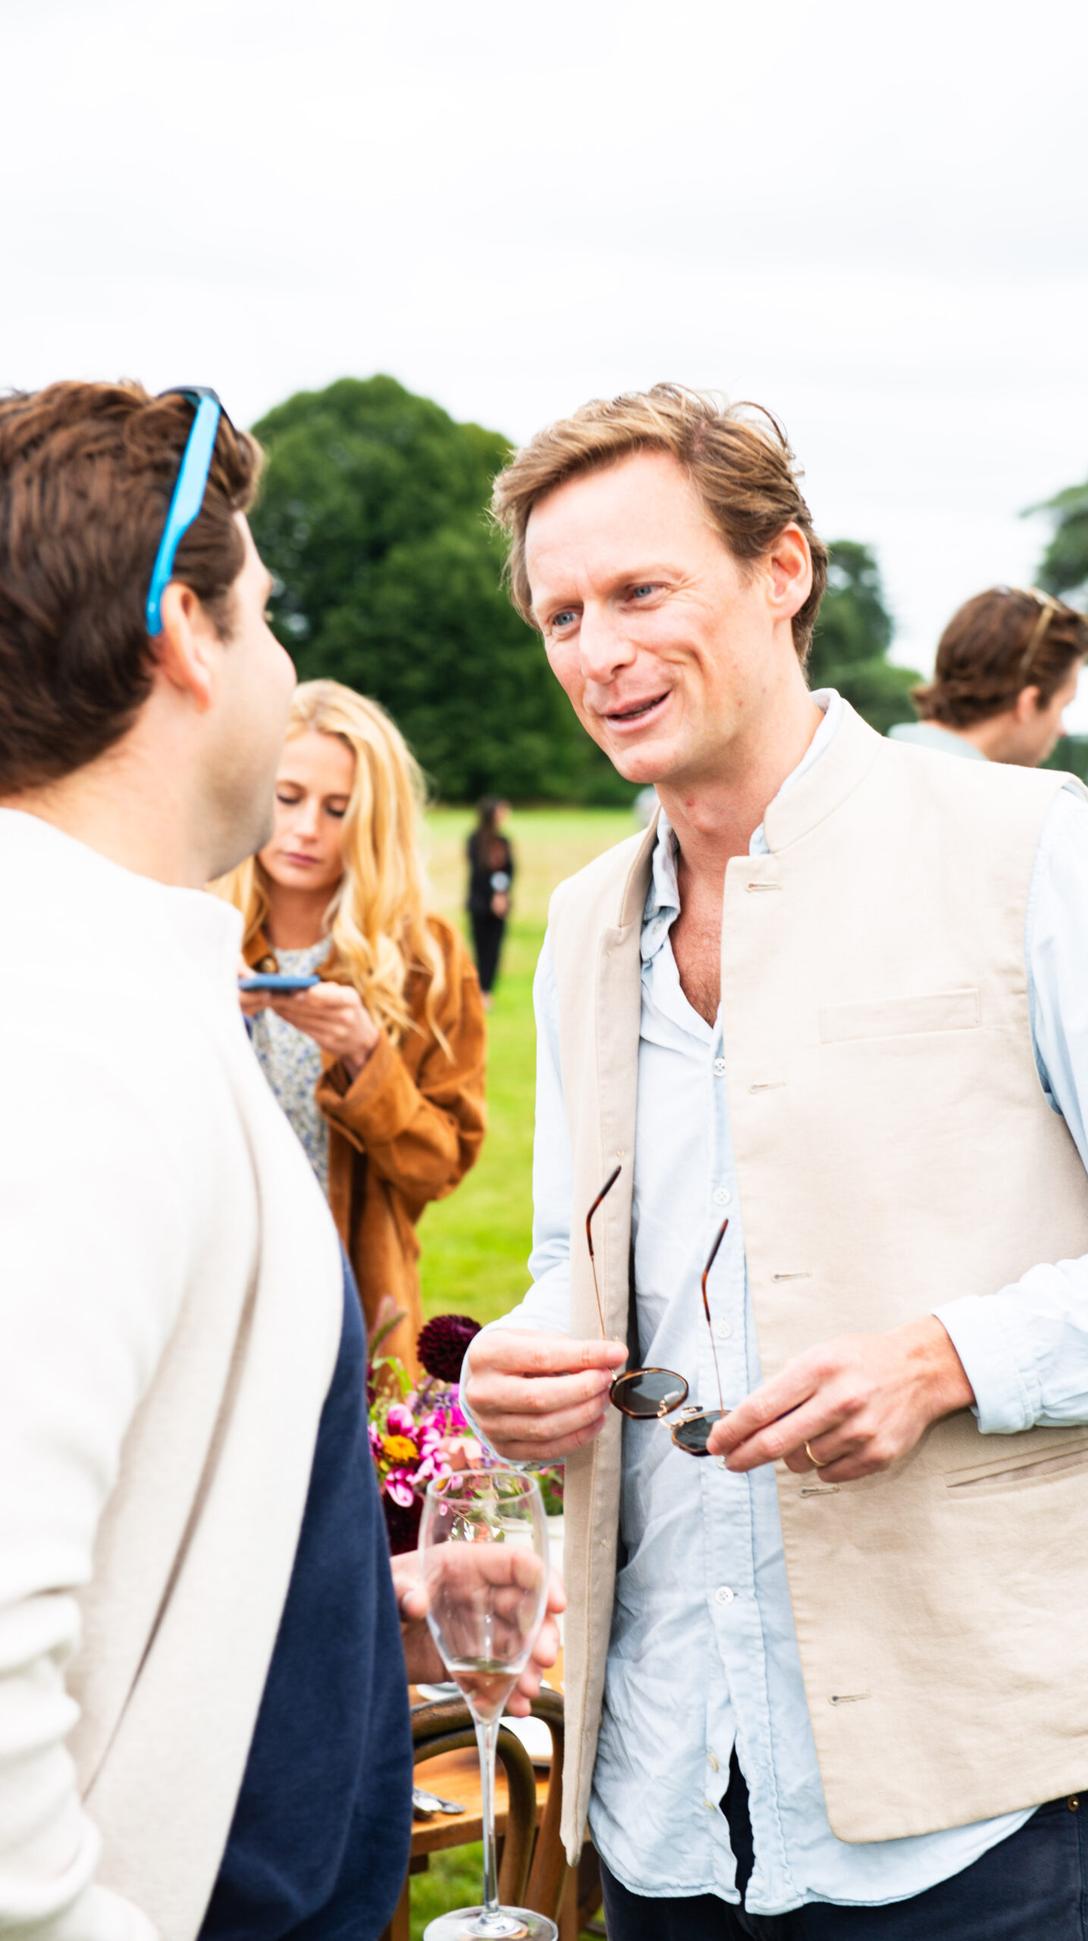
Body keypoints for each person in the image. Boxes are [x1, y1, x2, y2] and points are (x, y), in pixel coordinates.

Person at [463, 384, 1088, 1939]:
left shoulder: (1030, 846)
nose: (597, 651)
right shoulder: (581, 927)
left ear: (782, 567)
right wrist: (520, 1361)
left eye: (642, 591)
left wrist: (948, 1358)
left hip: (965, 1792)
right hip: (660, 1792)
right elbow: (581, 1267)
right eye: (561, 615)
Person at [0, 380, 559, 1940]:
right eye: (268, 615)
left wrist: (339, 1618)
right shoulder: (70, 1034)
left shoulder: (109, 982)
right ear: (186, 632)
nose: (288, 667)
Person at [218, 679, 486, 1371]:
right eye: (287, 797)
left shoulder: (426, 958)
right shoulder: (199, 927)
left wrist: (367, 1057)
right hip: (209, 1293)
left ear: (375, 819)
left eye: (338, 809)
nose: (307, 827)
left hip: (351, 1308)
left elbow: (440, 1166)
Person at [889, 583, 1088, 766]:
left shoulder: (879, 761)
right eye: (1063, 706)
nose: (1062, 730)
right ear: (1029, 703)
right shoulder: (979, 794)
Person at [466, 794, 515, 1003]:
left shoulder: (503, 841)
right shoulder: (475, 841)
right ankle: (479, 988)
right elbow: (479, 872)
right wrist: (492, 894)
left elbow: (508, 871)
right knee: (480, 947)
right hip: (479, 903)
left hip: (499, 906)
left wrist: (501, 895)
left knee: (494, 949)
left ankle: (487, 990)